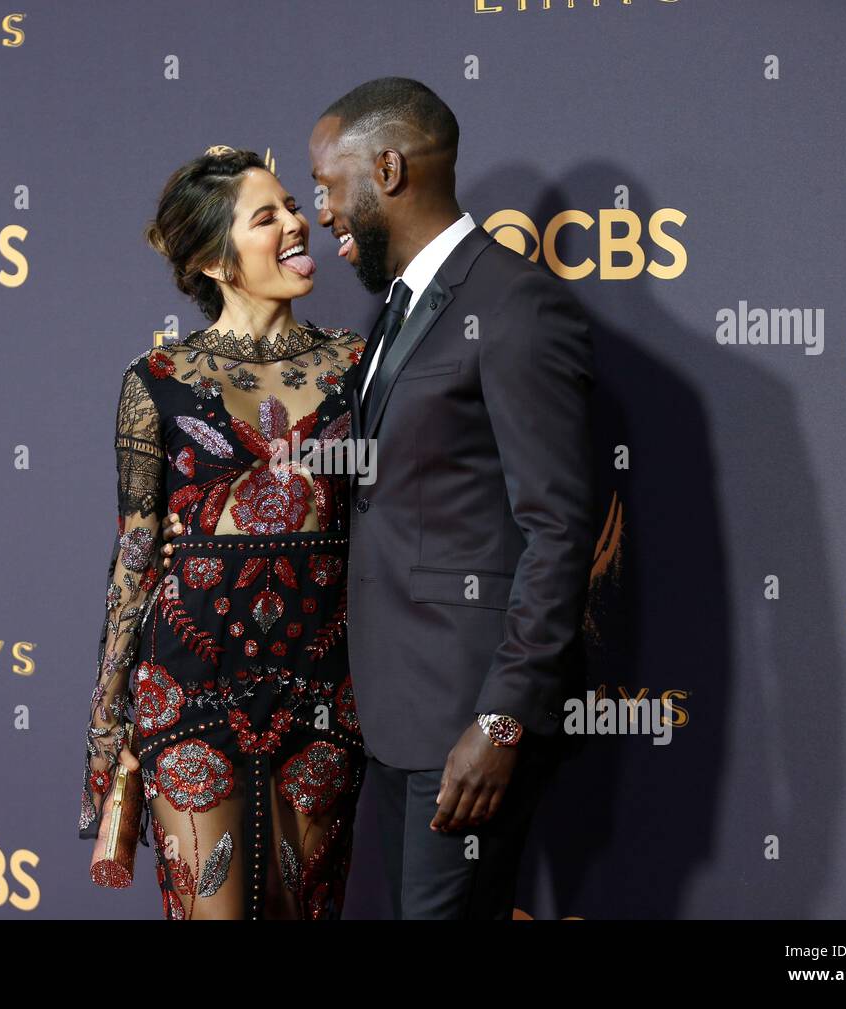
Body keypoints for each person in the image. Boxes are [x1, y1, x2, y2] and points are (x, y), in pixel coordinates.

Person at [161, 78, 597, 919]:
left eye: (325, 187)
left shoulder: (515, 304)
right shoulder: (393, 313)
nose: (317, 214)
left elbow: (560, 530)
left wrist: (502, 720)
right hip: (389, 723)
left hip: (469, 727)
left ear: (387, 169)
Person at [78, 145, 369, 920]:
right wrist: (110, 730)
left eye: (295, 207)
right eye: (266, 216)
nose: (297, 223)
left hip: (323, 691)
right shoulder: (157, 382)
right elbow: (135, 559)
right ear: (213, 257)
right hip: (187, 690)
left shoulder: (358, 368)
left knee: (302, 910)